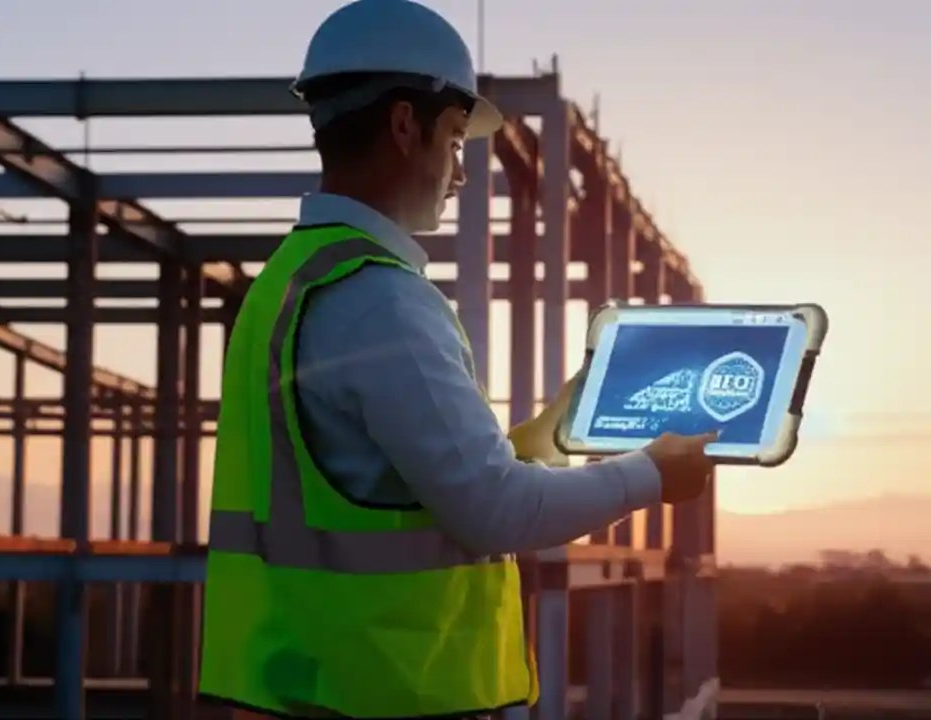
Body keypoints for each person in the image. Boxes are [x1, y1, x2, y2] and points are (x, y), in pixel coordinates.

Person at [196, 1, 717, 718]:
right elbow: (495, 512)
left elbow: (396, 485)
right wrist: (652, 475)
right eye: (456, 141)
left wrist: (541, 437)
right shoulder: (379, 298)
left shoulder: (292, 279)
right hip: (393, 690)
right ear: (406, 126)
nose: (464, 174)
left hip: (314, 683)